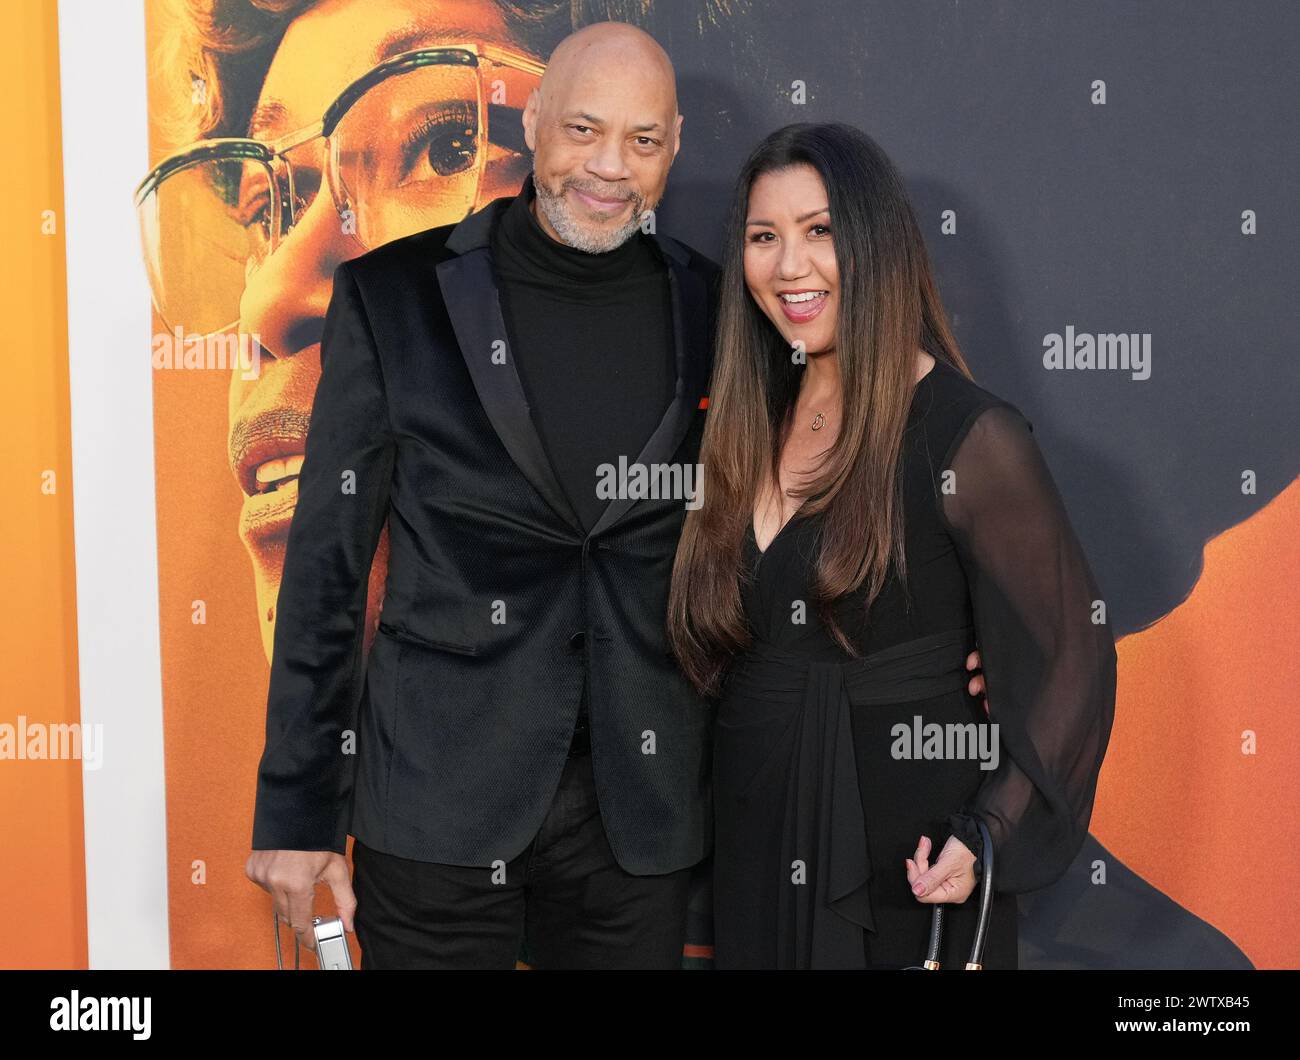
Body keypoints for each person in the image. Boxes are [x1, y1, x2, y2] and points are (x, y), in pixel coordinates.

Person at [245, 20, 724, 969]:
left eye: (642, 141)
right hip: (435, 807)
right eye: (584, 130)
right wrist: (299, 817)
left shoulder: (712, 307)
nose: (608, 168)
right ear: (536, 119)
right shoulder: (395, 298)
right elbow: (329, 573)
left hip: (638, 819)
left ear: (675, 149)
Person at [666, 122, 1117, 969]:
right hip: (756, 840)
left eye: (821, 231)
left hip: (910, 866)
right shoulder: (743, 426)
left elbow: (1074, 655)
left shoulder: (968, 435)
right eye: (765, 237)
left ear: (875, 242)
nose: (790, 266)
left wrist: (990, 832)